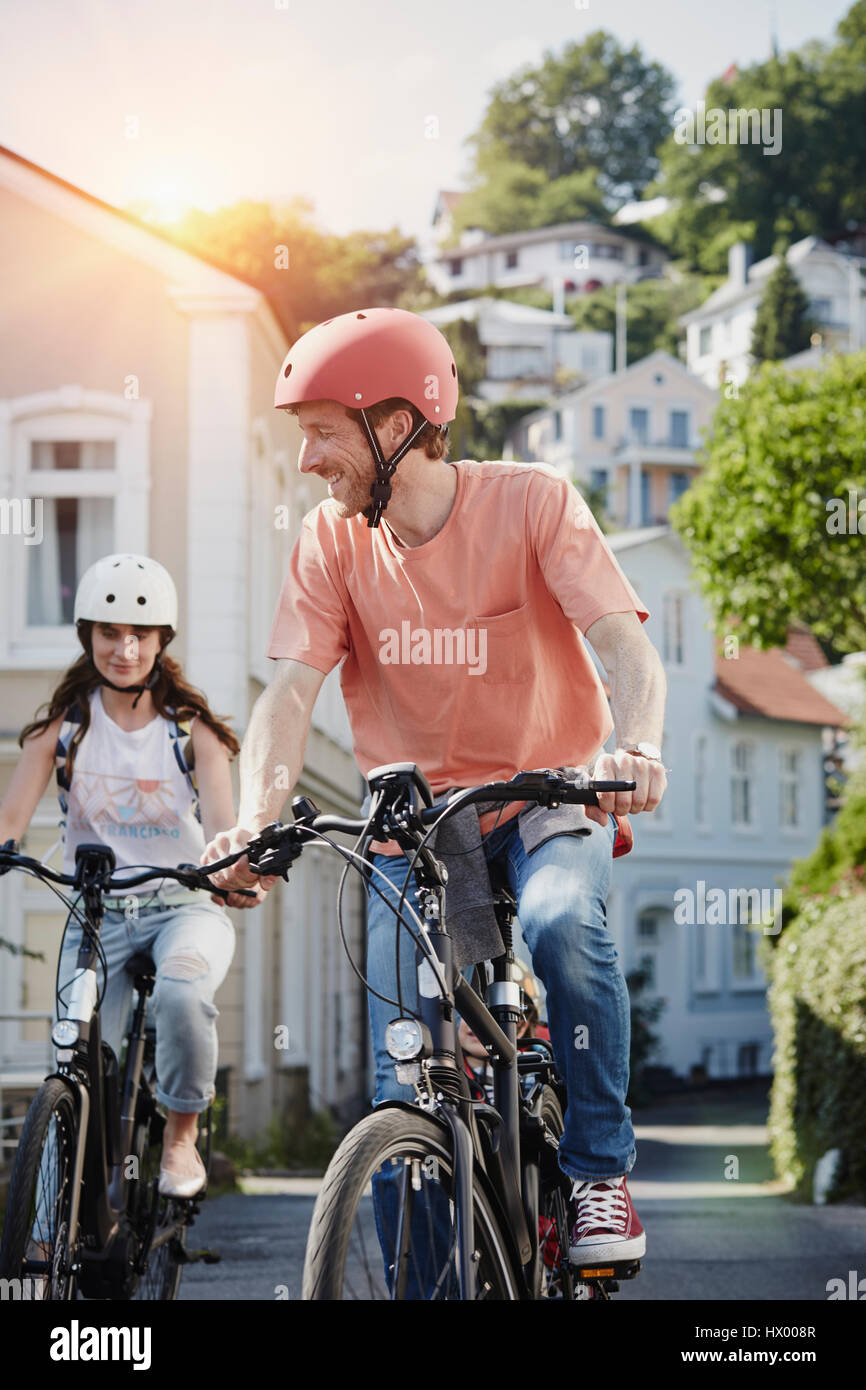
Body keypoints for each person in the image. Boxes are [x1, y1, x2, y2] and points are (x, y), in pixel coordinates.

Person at [204, 307, 667, 1267]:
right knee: (405, 1078)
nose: (309, 462)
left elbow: (622, 640)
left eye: (324, 432)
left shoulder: (533, 502)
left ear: (396, 422)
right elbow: (291, 693)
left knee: (559, 924)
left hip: (549, 796)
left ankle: (597, 1174)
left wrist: (641, 745)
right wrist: (255, 820)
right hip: (413, 828)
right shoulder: (331, 544)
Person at [0, 554, 258, 1198]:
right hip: (98, 913)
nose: (125, 648)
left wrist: (231, 874)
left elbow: (223, 829)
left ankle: (180, 1139)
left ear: (160, 642)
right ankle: (50, 1222)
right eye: (110, 633)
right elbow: (9, 822)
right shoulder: (63, 729)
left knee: (181, 993)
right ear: (88, 635)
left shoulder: (190, 731)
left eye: (140, 635)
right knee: (80, 1057)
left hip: (184, 908)